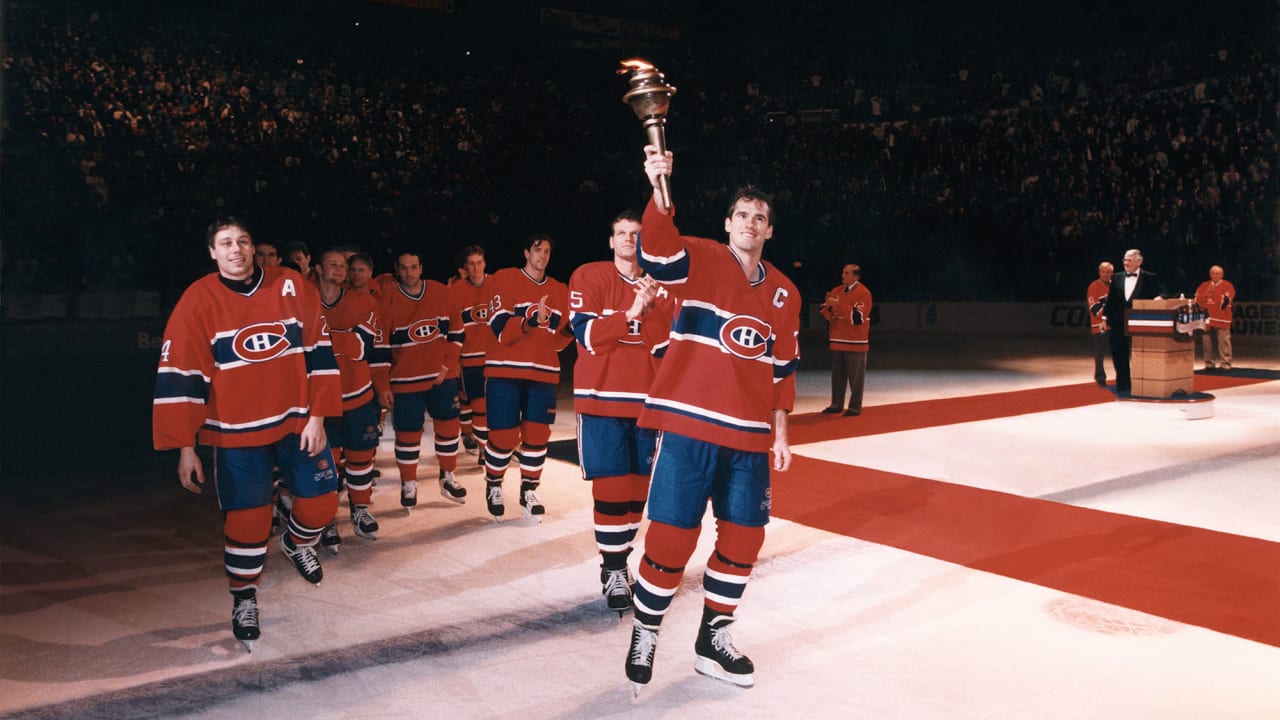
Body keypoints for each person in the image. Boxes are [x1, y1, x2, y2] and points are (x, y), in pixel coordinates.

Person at [624, 146, 800, 692]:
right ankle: (646, 629)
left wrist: (780, 432)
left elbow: (782, 370)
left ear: (770, 231)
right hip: (689, 426)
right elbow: (657, 253)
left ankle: (713, 640)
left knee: (745, 539)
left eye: (760, 218)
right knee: (672, 539)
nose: (751, 223)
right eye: (742, 215)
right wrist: (659, 189)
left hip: (748, 437)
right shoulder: (699, 258)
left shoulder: (785, 293)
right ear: (728, 224)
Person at [152, 217, 342, 651]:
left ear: (254, 247)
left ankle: (295, 542)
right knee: (250, 521)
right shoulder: (197, 299)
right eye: (225, 243)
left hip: (297, 420)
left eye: (242, 241)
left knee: (322, 504)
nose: (235, 249)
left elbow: (319, 351)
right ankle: (244, 597)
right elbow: (181, 375)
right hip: (235, 430)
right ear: (212, 252)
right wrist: (186, 447)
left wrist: (317, 416)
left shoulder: (289, 284)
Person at [568, 211, 667, 614]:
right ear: (611, 241)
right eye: (621, 233)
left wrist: (651, 309)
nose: (628, 239)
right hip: (601, 398)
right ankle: (612, 569)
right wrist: (630, 312)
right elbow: (588, 337)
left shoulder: (661, 286)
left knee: (638, 492)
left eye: (635, 233)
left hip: (649, 402)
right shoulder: (588, 276)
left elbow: (666, 347)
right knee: (611, 488)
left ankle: (621, 559)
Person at [483, 234, 572, 522]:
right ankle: (494, 483)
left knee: (537, 436)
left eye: (547, 251)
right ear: (525, 252)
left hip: (543, 372)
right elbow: (499, 328)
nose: (542, 255)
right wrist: (530, 321)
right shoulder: (504, 278)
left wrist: (572, 330)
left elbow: (557, 343)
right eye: (537, 250)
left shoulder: (559, 289)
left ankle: (529, 490)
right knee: (504, 436)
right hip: (505, 370)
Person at [313, 249, 391, 551]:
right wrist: (342, 336)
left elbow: (360, 347)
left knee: (361, 457)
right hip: (322, 400)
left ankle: (360, 508)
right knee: (327, 464)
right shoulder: (305, 302)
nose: (339, 269)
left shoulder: (364, 301)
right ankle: (327, 519)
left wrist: (321, 338)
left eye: (343, 265)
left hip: (358, 394)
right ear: (318, 268)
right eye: (331, 264)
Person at [377, 251, 467, 510]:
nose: (409, 272)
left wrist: (446, 365)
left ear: (421, 268)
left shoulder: (441, 293)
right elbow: (380, 349)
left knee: (449, 428)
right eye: (404, 268)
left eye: (413, 267)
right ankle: (408, 481)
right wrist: (383, 385)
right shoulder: (387, 301)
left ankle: (448, 475)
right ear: (397, 270)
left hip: (442, 377)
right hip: (405, 381)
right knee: (407, 434)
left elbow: (457, 333)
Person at [1102, 248, 1165, 396]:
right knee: (1118, 352)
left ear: (1139, 261)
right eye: (1124, 260)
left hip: (1141, 322)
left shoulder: (1150, 277)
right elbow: (1110, 301)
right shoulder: (1116, 277)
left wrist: (1159, 298)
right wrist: (1104, 318)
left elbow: (1165, 292)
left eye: (1129, 260)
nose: (1126, 263)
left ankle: (1144, 383)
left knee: (1143, 354)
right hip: (1118, 322)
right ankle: (1123, 384)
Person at [449, 245, 491, 461]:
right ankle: (481, 447)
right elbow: (451, 329)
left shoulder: (497, 284)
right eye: (471, 264)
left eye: (479, 262)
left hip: (495, 359)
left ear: (485, 263)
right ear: (465, 267)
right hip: (469, 360)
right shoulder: (456, 291)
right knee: (476, 404)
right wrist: (454, 360)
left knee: (495, 405)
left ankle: (497, 445)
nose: (476, 268)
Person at [819, 263, 872, 415]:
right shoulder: (836, 290)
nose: (843, 275)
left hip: (856, 343)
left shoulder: (864, 293)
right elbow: (824, 311)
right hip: (837, 341)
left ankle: (854, 407)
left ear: (856, 276)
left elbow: (858, 317)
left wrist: (838, 306)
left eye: (847, 273)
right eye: (843, 272)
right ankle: (836, 404)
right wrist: (830, 307)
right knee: (837, 377)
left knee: (856, 379)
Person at [1194, 265, 1235, 371]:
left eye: (1217, 273)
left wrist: (1213, 292)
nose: (1215, 276)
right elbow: (1198, 301)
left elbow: (1223, 303)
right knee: (1207, 342)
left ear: (1222, 275)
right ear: (1210, 274)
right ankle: (1209, 363)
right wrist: (1207, 293)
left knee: (1224, 342)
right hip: (1207, 319)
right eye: (1213, 273)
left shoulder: (1227, 285)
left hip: (1222, 318)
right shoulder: (1204, 285)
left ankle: (1226, 364)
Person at [1087, 261, 1114, 385]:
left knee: (1117, 352)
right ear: (1099, 272)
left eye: (1108, 272)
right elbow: (1093, 307)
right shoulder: (1094, 286)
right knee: (1100, 354)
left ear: (1112, 273)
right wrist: (1108, 316)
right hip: (1099, 326)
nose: (1105, 274)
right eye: (1103, 272)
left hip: (1113, 325)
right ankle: (1100, 377)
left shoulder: (1115, 286)